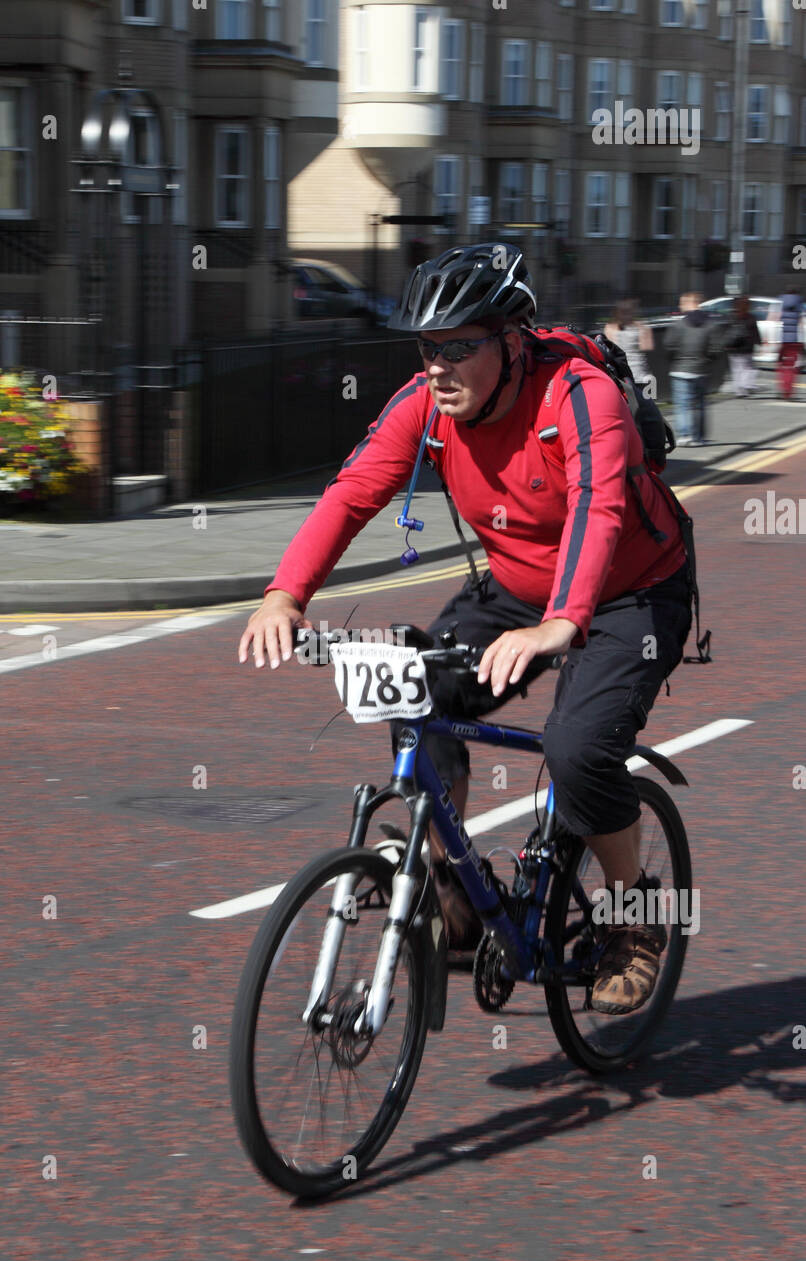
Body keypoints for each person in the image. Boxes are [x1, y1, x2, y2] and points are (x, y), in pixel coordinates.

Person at [238, 243, 692, 1016]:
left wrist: (562, 624)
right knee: (414, 688)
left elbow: (599, 509)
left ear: (511, 343)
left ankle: (633, 917)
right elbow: (353, 493)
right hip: (516, 589)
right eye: (427, 347)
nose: (439, 367)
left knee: (577, 749)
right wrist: (286, 594)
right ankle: (452, 889)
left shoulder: (580, 397)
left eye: (459, 347)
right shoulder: (425, 406)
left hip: (630, 594)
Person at [664, 290, 723, 446]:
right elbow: (716, 349)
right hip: (701, 370)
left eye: (682, 303)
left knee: (682, 404)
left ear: (691, 304)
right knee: (700, 405)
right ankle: (697, 437)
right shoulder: (711, 324)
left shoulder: (679, 324)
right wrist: (707, 361)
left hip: (680, 369)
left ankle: (684, 435)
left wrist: (674, 360)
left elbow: (669, 345)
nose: (680, 306)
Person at [604, 298, 654, 394]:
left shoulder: (610, 327)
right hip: (638, 374)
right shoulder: (641, 327)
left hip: (624, 374)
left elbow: (609, 350)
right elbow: (647, 346)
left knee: (629, 405)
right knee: (646, 404)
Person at [723, 296, 760, 397]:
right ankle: (744, 386)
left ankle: (738, 391)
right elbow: (755, 332)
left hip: (733, 347)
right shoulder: (751, 317)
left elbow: (726, 332)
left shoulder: (730, 316)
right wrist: (758, 342)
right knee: (747, 368)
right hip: (747, 347)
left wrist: (725, 344)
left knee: (736, 370)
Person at [772, 285, 803, 400]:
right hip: (794, 341)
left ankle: (783, 389)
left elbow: (775, 320)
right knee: (792, 367)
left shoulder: (779, 302)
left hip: (782, 340)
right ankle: (789, 392)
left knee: (782, 366)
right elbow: (801, 323)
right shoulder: (799, 304)